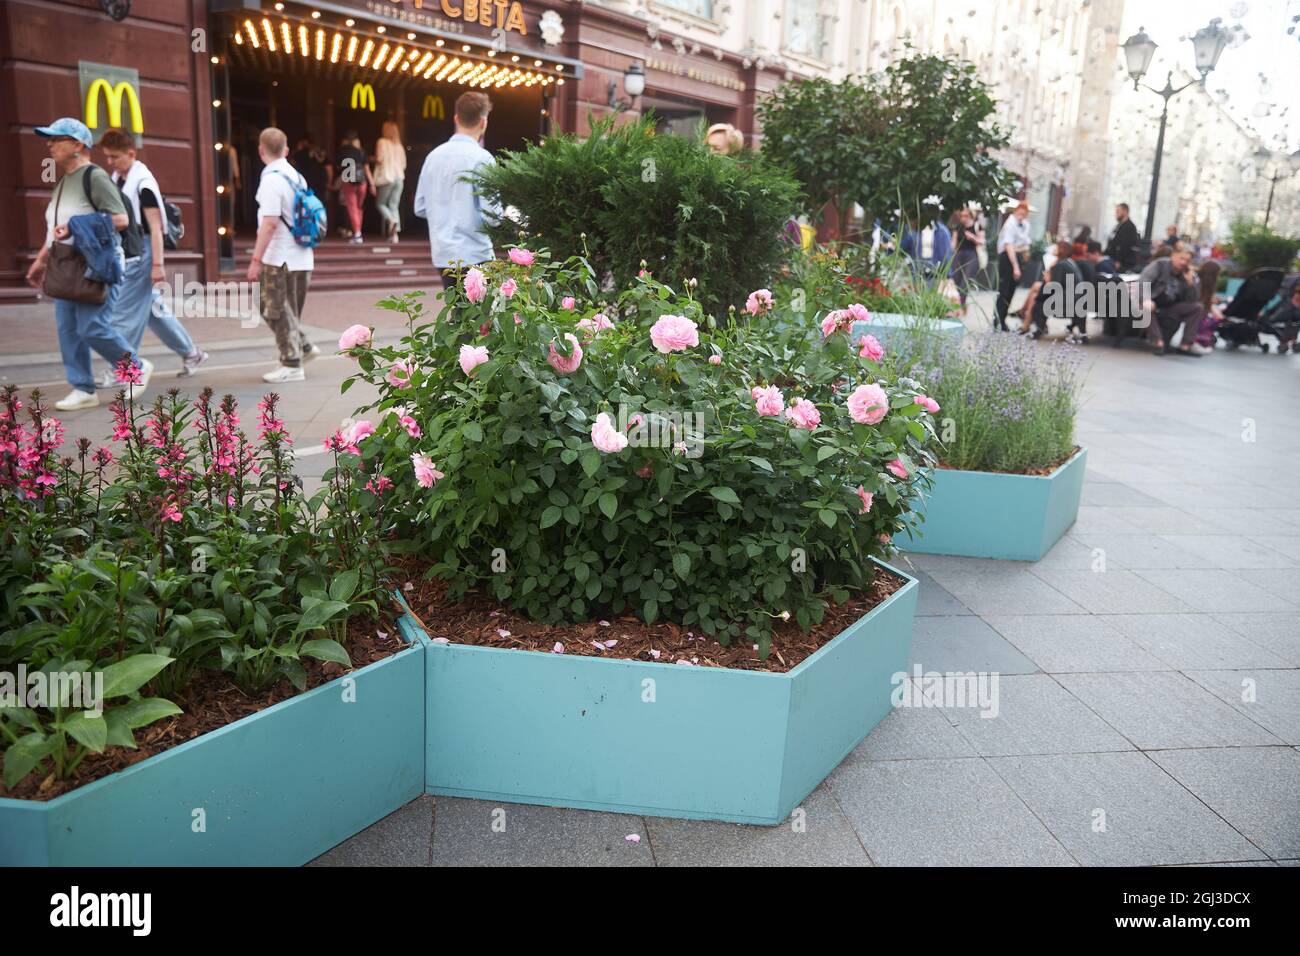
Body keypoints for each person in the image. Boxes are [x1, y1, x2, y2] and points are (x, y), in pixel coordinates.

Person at [24, 117, 150, 411]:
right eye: (49, 138)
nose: (49, 144)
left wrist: (74, 226)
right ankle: (82, 387)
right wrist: (40, 262)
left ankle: (135, 367)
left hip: (94, 266)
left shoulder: (93, 177)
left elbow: (120, 219)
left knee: (92, 327)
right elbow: (54, 228)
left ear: (78, 144)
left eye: (57, 139)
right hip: (65, 266)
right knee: (67, 329)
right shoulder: (63, 182)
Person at [97, 129, 208, 381]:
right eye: (108, 157)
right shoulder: (119, 177)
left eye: (115, 156)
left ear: (131, 153)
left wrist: (157, 265)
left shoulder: (143, 183)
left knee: (122, 313)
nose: (110, 162)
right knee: (153, 311)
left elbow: (155, 228)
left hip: (143, 251)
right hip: (132, 250)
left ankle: (123, 367)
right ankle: (191, 353)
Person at [247, 127, 319, 384]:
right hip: (303, 256)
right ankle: (303, 347)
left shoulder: (271, 180)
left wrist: (256, 259)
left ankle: (291, 362)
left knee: (272, 308)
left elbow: (269, 223)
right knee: (288, 310)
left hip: (279, 257)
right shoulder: (297, 176)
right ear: (286, 150)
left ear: (261, 150)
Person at [414, 91, 501, 293]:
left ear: (456, 118)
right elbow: (493, 217)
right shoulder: (483, 158)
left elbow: (420, 208)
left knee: (458, 316)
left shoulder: (433, 157)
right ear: (483, 122)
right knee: (483, 319)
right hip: (476, 253)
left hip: (443, 254)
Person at [1138, 245, 1202, 357]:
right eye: (1181, 258)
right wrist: (1146, 299)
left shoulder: (1187, 273)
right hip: (1151, 302)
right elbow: (1143, 282)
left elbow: (1193, 299)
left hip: (1171, 306)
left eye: (1187, 260)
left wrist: (1190, 283)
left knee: (1197, 307)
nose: (1184, 262)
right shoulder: (1160, 265)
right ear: (1173, 256)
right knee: (1143, 307)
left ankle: (1185, 345)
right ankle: (1158, 342)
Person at [1025, 240, 1086, 341]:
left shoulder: (1060, 265)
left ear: (1061, 250)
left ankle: (1032, 326)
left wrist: (1047, 278)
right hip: (1077, 298)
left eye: (1056, 247)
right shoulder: (1068, 262)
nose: (1053, 249)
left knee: (1037, 301)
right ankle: (1025, 321)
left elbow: (1053, 287)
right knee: (1036, 292)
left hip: (1068, 302)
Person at [994, 200, 1031, 332]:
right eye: (1019, 212)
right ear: (1015, 212)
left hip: (1018, 258)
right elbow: (1008, 246)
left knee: (1011, 291)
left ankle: (1002, 318)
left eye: (1024, 213)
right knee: (1004, 290)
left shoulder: (1025, 225)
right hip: (1008, 259)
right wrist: (1015, 266)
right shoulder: (1010, 224)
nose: (1021, 215)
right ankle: (997, 319)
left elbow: (1025, 244)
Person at [334, 130, 373, 244]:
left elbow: (338, 167)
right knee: (359, 207)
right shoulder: (361, 152)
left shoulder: (342, 151)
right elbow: (367, 169)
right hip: (362, 182)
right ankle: (357, 231)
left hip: (348, 180)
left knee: (352, 207)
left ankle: (357, 234)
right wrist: (372, 184)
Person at [373, 121, 407, 243]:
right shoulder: (399, 146)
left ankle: (391, 220)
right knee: (394, 205)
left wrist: (371, 159)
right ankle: (395, 235)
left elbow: (379, 159)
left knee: (380, 204)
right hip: (399, 178)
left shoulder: (381, 142)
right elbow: (404, 165)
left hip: (387, 176)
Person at [950, 207, 985, 315]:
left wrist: (973, 237)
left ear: (970, 216)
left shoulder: (977, 226)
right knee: (955, 280)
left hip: (972, 255)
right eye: (961, 216)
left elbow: (982, 241)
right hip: (959, 255)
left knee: (965, 282)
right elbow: (953, 243)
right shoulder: (958, 227)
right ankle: (953, 306)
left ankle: (960, 307)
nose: (963, 218)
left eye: (965, 216)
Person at [1103, 203, 1139, 272]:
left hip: (1121, 263)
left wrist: (1118, 261)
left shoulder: (1130, 227)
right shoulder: (1118, 226)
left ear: (1125, 211)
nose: (1116, 214)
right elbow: (1112, 242)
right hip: (1112, 258)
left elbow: (1125, 245)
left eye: (1118, 211)